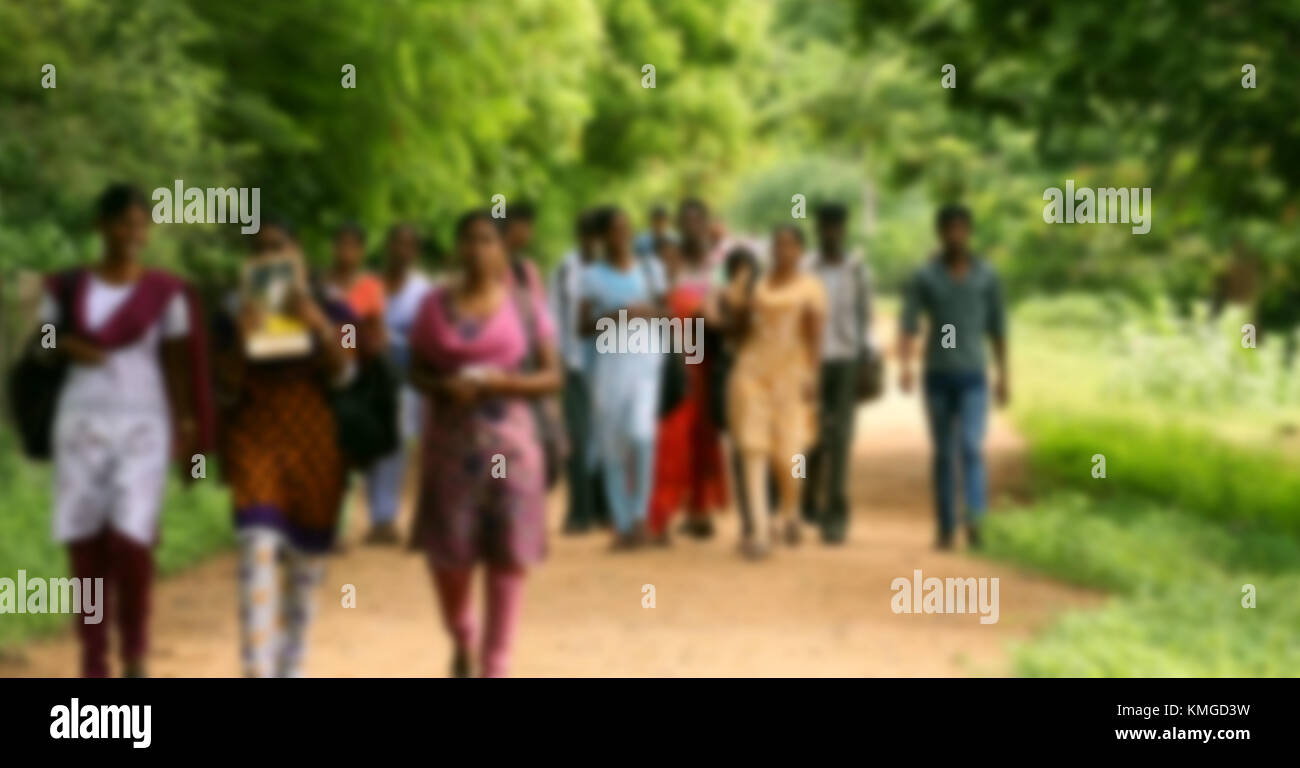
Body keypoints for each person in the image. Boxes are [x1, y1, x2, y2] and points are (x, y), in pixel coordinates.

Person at [42, 183, 213, 677]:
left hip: (145, 426)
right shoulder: (69, 286)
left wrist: (191, 437)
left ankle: (135, 648)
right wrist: (72, 346)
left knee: (133, 543)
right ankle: (94, 657)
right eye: (122, 223)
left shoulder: (165, 293)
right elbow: (45, 338)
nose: (131, 234)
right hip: (80, 424)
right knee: (86, 545)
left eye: (139, 225)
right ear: (101, 226)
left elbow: (183, 367)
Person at [408, 210, 561, 677]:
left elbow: (553, 377)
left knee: (509, 557)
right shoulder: (433, 306)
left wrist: (502, 385)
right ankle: (463, 633)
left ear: (502, 250)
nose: (478, 249)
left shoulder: (523, 304)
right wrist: (441, 388)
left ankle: (497, 663)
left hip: (511, 451)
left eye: (488, 240)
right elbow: (413, 370)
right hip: (450, 453)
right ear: (457, 249)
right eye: (469, 240)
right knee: (449, 562)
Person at [214, 218, 355, 677]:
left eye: (279, 247)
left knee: (305, 567)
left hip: (316, 444)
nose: (270, 257)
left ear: (298, 255)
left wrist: (314, 321)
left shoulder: (335, 309)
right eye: (260, 250)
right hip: (254, 435)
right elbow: (226, 388)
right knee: (257, 544)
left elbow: (346, 374)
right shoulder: (231, 312)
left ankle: (290, 666)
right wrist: (240, 338)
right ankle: (257, 668)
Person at [899, 204, 1008, 550]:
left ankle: (975, 522)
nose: (955, 235)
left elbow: (998, 328)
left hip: (974, 375)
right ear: (940, 233)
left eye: (961, 229)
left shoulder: (987, 276)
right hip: (938, 375)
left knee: (972, 448)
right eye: (949, 229)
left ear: (970, 232)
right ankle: (946, 526)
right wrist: (904, 365)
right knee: (944, 453)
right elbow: (909, 323)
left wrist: (1004, 374)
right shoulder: (926, 276)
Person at [724, 226, 826, 558]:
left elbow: (815, 338)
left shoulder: (810, 289)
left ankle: (791, 510)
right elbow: (734, 329)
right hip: (751, 372)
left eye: (790, 245)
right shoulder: (756, 283)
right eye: (777, 245)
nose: (783, 251)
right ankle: (760, 532)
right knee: (753, 448)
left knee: (790, 454)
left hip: (792, 375)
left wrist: (814, 377)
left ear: (800, 251)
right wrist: (742, 302)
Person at [578, 205, 667, 549]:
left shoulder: (650, 268)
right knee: (613, 444)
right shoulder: (592, 277)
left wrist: (648, 312)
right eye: (614, 231)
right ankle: (622, 522)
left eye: (626, 229)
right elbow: (582, 327)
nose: (622, 237)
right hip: (610, 367)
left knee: (641, 434)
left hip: (645, 364)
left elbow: (667, 312)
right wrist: (615, 316)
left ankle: (641, 513)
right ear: (602, 237)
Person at [646, 233, 730, 544]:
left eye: (672, 257)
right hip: (659, 381)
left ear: (679, 261)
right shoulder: (647, 296)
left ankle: (698, 511)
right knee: (667, 450)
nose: (667, 263)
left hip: (694, 380)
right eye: (661, 258)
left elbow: (713, 329)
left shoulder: (694, 294)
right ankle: (661, 519)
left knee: (696, 446)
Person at [359, 223, 436, 545]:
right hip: (368, 377)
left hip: (405, 377)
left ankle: (385, 517)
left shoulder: (423, 290)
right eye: (397, 243)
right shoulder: (367, 285)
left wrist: (397, 341)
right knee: (370, 442)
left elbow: (430, 335)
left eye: (409, 245)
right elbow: (349, 326)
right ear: (387, 246)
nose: (401, 251)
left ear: (415, 252)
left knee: (397, 440)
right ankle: (376, 513)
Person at [802, 203, 871, 544]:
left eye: (836, 226)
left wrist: (866, 357)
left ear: (844, 229)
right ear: (818, 229)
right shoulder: (805, 268)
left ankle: (835, 517)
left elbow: (865, 317)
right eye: (825, 226)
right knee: (809, 437)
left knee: (840, 438)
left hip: (844, 359)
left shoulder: (856, 271)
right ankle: (806, 499)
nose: (831, 232)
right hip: (809, 362)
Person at [550, 210, 607, 533]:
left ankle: (603, 508)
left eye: (595, 235)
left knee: (603, 438)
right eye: (584, 234)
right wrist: (556, 356)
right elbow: (554, 315)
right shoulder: (564, 270)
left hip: (609, 365)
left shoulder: (610, 269)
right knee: (577, 436)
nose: (590, 242)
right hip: (573, 364)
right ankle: (579, 511)